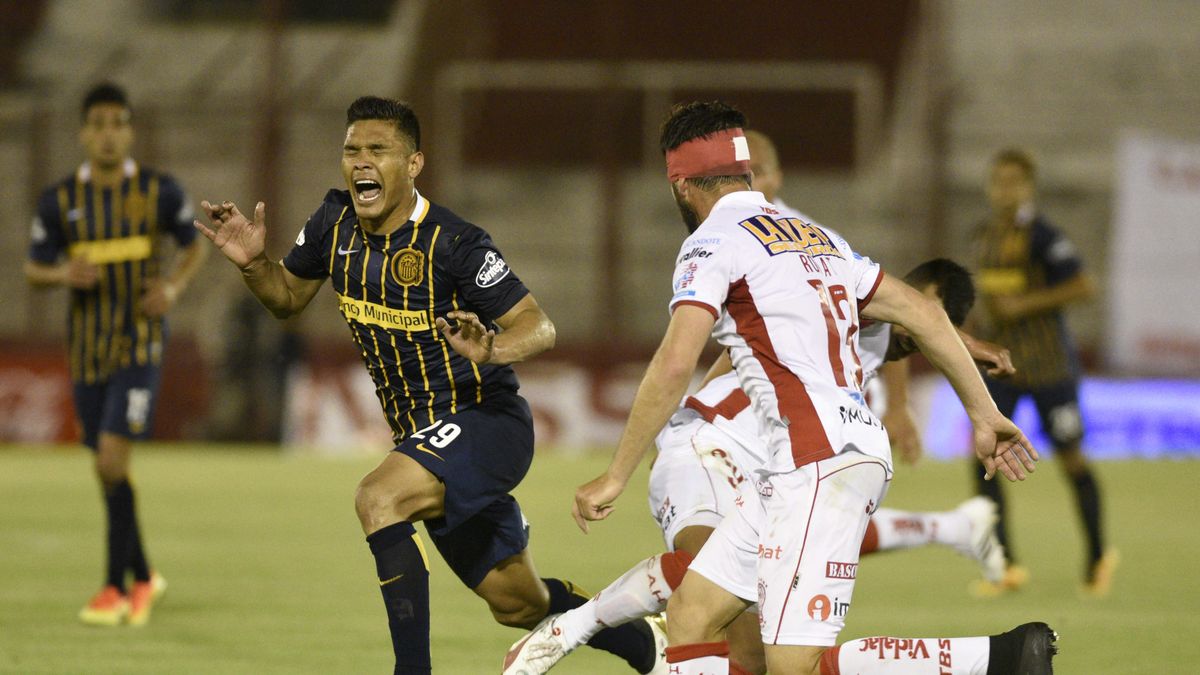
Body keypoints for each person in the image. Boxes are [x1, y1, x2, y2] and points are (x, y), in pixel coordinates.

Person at [572, 101, 1053, 674]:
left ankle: (1000, 660)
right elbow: (924, 314)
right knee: (691, 614)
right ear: (747, 174)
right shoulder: (816, 235)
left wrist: (618, 473)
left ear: (680, 184)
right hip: (812, 460)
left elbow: (675, 363)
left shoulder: (711, 242)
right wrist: (981, 413)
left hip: (817, 463)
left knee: (793, 666)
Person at [195, 96, 665, 674]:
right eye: (351, 151)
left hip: (486, 422)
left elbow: (537, 326)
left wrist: (490, 346)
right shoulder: (332, 223)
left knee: (378, 497)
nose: (361, 162)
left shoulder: (454, 243)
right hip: (421, 440)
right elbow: (286, 298)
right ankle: (647, 646)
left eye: (378, 150)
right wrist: (252, 262)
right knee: (518, 604)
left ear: (413, 163)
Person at [502, 259, 1010, 675]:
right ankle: (572, 627)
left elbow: (916, 322)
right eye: (926, 313)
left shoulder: (870, 349)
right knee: (699, 576)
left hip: (764, 465)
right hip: (713, 444)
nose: (922, 326)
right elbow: (914, 312)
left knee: (753, 656)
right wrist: (973, 347)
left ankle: (650, 648)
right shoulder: (846, 301)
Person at [24, 83, 206, 627]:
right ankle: (145, 575)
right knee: (107, 469)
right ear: (83, 132)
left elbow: (193, 245)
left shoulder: (158, 192)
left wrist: (172, 289)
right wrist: (62, 274)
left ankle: (114, 590)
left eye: (117, 123)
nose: (107, 134)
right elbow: (34, 269)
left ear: (129, 131)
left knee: (109, 460)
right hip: (86, 351)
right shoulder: (59, 201)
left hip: (139, 345)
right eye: (98, 124)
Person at [971, 148, 1117, 597]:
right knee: (985, 461)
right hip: (1003, 368)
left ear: (1029, 187)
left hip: (1051, 368)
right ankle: (1005, 565)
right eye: (999, 181)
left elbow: (1084, 284)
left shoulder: (1045, 236)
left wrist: (1025, 304)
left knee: (1071, 459)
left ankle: (1097, 559)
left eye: (1014, 181)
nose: (1005, 190)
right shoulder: (984, 236)